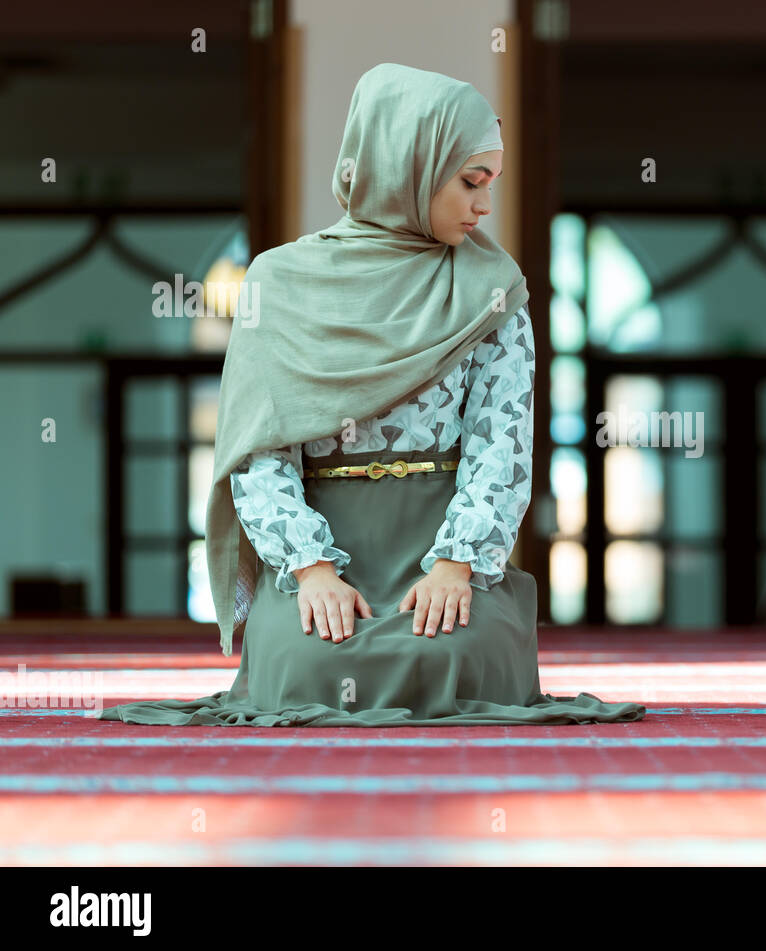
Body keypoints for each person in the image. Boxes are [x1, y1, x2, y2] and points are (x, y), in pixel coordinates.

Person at [96, 64, 646, 726]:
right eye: (471, 181)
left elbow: (502, 446)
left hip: (447, 557)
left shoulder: (493, 291)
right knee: (311, 662)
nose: (485, 206)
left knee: (461, 655)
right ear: (405, 165)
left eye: (492, 184)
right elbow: (256, 449)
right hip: (318, 563)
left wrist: (455, 567)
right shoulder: (280, 284)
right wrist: (311, 570)